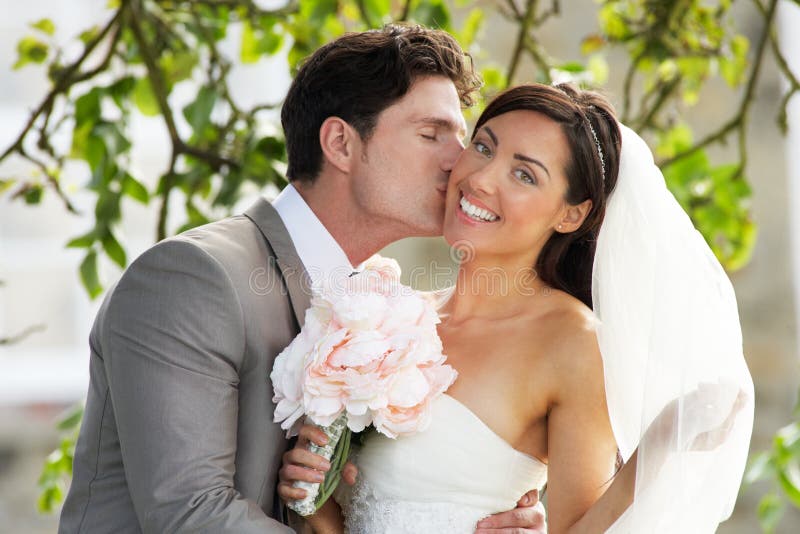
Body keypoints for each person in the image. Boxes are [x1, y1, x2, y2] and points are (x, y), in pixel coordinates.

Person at [58, 25, 548, 533]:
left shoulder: (387, 310)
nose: (460, 161)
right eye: (431, 134)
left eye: (462, 138)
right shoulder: (192, 277)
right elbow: (191, 514)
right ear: (340, 143)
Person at [278, 83, 754, 533]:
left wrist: (661, 444)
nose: (480, 179)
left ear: (572, 214)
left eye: (524, 174)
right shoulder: (386, 319)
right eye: (484, 147)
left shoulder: (573, 342)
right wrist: (312, 497)